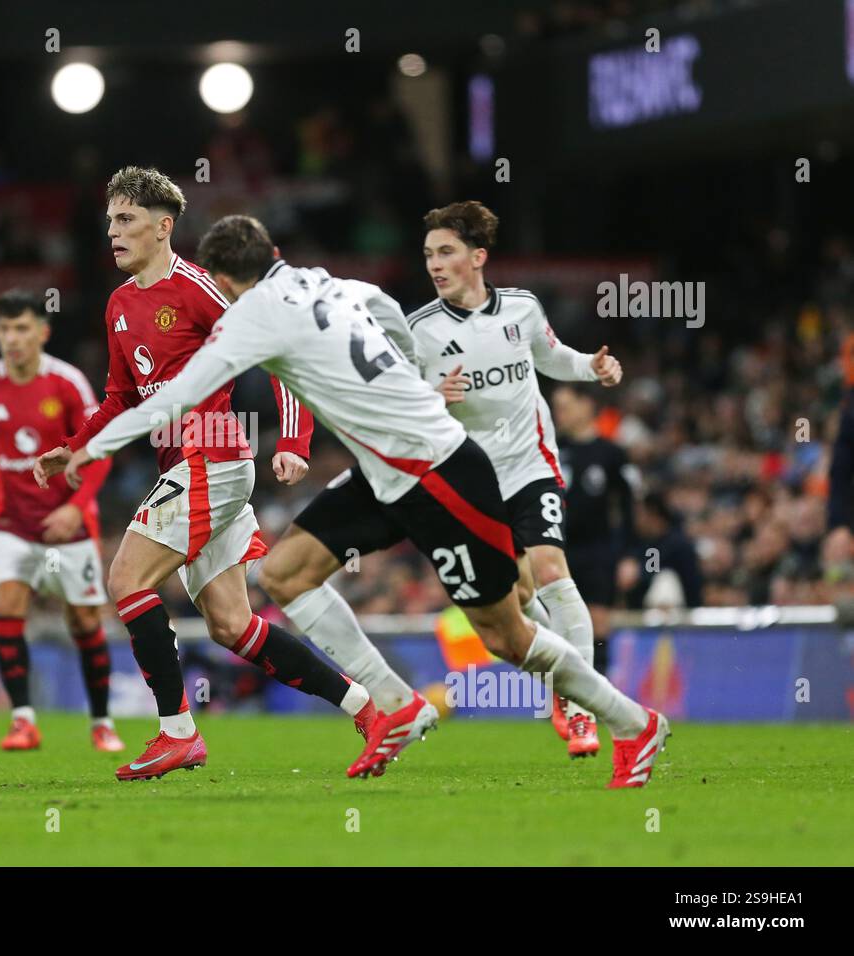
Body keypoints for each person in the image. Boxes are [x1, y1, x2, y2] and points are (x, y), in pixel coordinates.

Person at [60, 214, 670, 789]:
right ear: (272, 254)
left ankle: (632, 723)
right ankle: (395, 703)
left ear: (224, 281)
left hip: (437, 470)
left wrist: (87, 452)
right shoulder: (320, 280)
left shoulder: (249, 318)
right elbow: (384, 306)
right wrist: (413, 371)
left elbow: (171, 400)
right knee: (284, 572)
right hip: (384, 471)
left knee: (505, 634)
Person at [34, 167, 377, 781]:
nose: (113, 231)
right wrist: (75, 447)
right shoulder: (118, 305)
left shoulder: (199, 288)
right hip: (186, 463)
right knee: (231, 623)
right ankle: (366, 707)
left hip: (213, 457)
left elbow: (279, 350)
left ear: (163, 226)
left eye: (127, 220)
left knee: (126, 578)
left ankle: (177, 733)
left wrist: (294, 438)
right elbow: (120, 397)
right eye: (109, 220)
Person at [408, 200, 622, 758]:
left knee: (552, 570)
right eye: (430, 253)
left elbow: (552, 358)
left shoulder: (522, 309)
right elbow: (399, 410)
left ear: (478, 257)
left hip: (531, 464)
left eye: (447, 251)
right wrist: (434, 397)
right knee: (517, 597)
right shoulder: (420, 331)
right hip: (471, 480)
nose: (435, 263)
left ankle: (581, 708)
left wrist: (591, 368)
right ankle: (560, 683)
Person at [0, 289, 123, 752]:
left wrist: (76, 504)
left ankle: (102, 723)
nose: (12, 338)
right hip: (9, 523)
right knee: (7, 608)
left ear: (42, 332)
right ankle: (23, 720)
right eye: (5, 329)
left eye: (22, 328)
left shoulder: (67, 384)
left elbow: (99, 448)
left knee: (85, 622)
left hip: (67, 526)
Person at [552, 382, 637, 677]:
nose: (559, 414)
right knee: (560, 625)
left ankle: (599, 695)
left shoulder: (611, 454)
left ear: (586, 405)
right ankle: (563, 700)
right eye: (556, 408)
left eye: (565, 406)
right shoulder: (552, 449)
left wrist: (629, 555)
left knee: (599, 622)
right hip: (557, 551)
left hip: (598, 550)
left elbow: (627, 508)